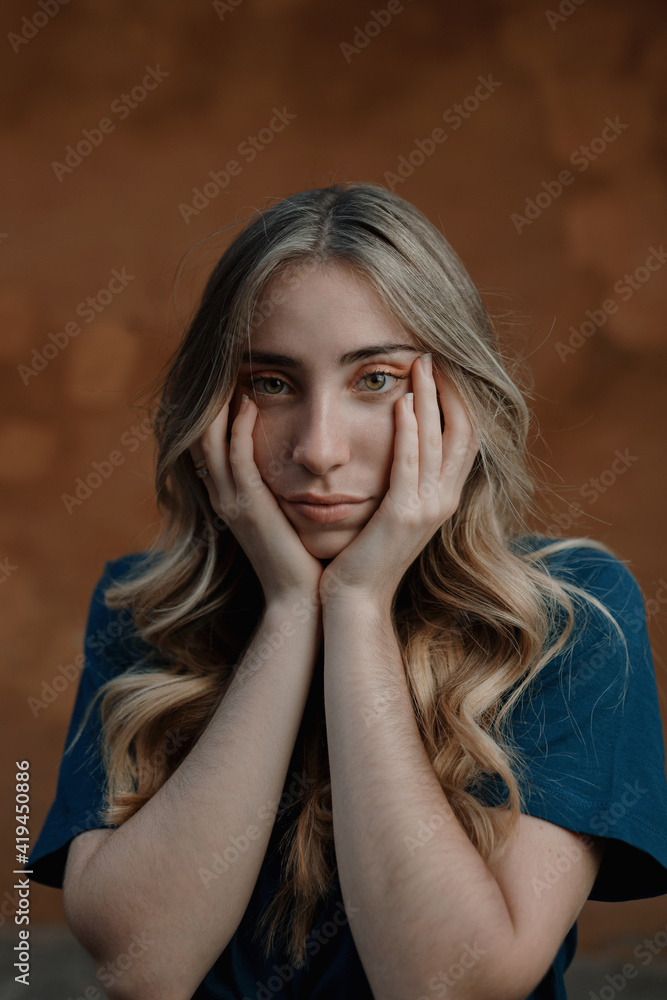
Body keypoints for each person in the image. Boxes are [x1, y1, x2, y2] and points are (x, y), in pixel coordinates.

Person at [28, 182, 667, 1000]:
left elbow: (447, 983)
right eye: (270, 382)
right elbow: (143, 967)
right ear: (215, 404)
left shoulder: (568, 613)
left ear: (458, 404)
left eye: (374, 380)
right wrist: (293, 611)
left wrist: (357, 607)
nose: (319, 449)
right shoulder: (144, 610)